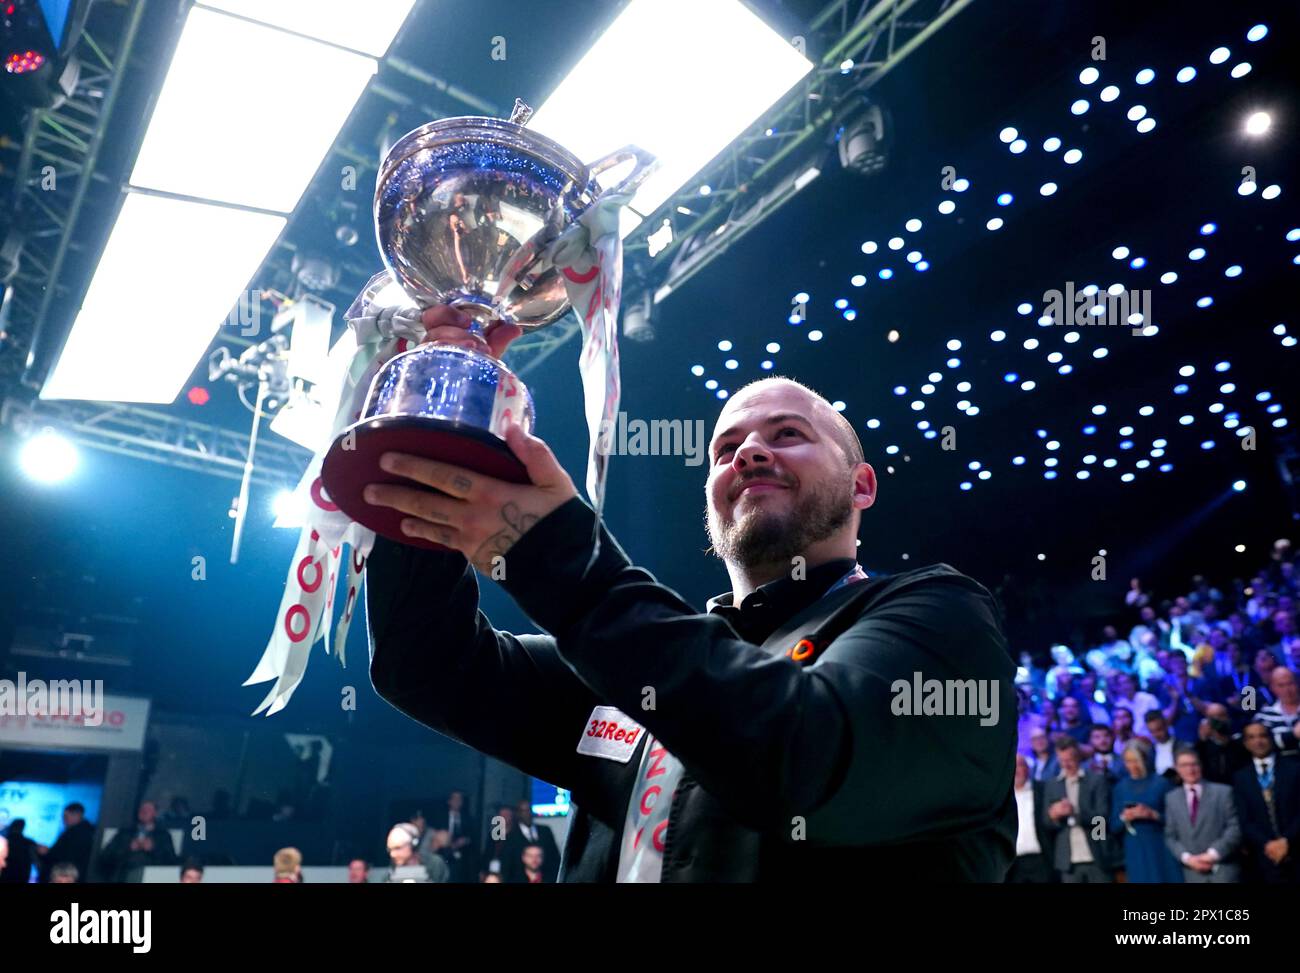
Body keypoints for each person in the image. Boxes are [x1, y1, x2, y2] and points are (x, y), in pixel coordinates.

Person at [364, 308, 1017, 883]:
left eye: (788, 434)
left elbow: (804, 758)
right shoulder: (635, 664)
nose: (750, 453)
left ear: (863, 485)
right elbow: (427, 664)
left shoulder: (943, 616)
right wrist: (441, 429)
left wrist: (553, 555)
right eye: (726, 447)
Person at [1232, 721, 1300, 883]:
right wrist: (1268, 844)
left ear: (1270, 738)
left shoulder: (1295, 769)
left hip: (1297, 849)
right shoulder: (1240, 777)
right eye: (1252, 737)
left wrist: (1286, 841)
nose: (1258, 741)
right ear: (1246, 743)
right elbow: (1244, 819)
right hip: (1264, 858)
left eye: (1262, 736)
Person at [1041, 738, 1115, 882]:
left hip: (1097, 856)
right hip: (1068, 861)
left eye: (1070, 759)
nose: (1066, 765)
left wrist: (1074, 813)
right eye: (1062, 760)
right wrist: (1054, 816)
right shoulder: (1052, 785)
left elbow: (1102, 821)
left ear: (1079, 757)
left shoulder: (1096, 781)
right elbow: (1046, 822)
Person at [1163, 749, 1241, 883]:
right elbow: (1170, 835)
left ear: (1201, 765)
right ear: (1177, 768)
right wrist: (1188, 859)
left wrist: (1211, 855)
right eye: (1184, 765)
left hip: (1223, 871)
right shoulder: (1171, 798)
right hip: (1192, 874)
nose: (1190, 769)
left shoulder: (1223, 792)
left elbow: (1235, 828)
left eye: (1194, 764)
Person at [1110, 739, 1181, 883]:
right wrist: (1125, 817)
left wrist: (1153, 814)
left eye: (1136, 760)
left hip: (1160, 844)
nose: (1133, 766)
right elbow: (1112, 825)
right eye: (1128, 761)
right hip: (1135, 846)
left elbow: (1179, 818)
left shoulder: (1162, 783)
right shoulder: (1120, 788)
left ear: (1145, 759)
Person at [96, 800, 178, 882]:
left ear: (155, 814)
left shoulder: (163, 836)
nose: (144, 812)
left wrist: (153, 849)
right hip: (123, 876)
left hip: (151, 877)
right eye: (142, 809)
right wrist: (128, 848)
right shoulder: (124, 833)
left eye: (148, 810)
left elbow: (171, 861)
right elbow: (105, 857)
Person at [1008, 754, 1053, 883]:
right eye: (1013, 766)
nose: (1016, 770)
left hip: (1041, 860)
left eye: (1020, 765)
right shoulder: (1003, 798)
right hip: (1013, 864)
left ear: (1028, 769)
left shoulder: (1042, 790)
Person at [501, 800, 561, 884]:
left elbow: (555, 858)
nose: (527, 813)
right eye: (523, 811)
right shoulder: (510, 837)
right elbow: (507, 865)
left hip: (548, 879)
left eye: (529, 810)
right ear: (518, 814)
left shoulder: (545, 831)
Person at [38, 802, 96, 884]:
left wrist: (48, 853)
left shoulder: (79, 834)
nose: (63, 820)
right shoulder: (79, 832)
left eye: (66, 817)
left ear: (77, 815)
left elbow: (67, 857)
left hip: (65, 875)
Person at [383, 823, 448, 883]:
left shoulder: (435, 864)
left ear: (413, 844)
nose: (392, 854)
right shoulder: (391, 873)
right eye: (390, 849)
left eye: (397, 848)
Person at [1257, 667, 1300, 757]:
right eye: (1281, 685)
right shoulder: (1264, 716)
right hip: (1282, 768)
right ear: (1272, 687)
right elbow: (1263, 746)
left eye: (1290, 684)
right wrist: (1294, 734)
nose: (1287, 690)